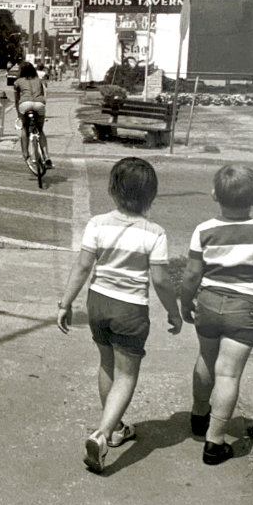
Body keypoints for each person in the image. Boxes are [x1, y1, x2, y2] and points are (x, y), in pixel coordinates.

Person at [58, 157, 182, 473]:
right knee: (127, 374)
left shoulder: (98, 224)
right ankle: (102, 434)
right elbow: (161, 280)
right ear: (151, 196)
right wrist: (174, 312)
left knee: (107, 364)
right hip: (130, 310)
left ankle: (114, 429)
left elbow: (83, 266)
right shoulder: (154, 233)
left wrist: (65, 302)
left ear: (112, 190)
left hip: (98, 303)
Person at [179, 165, 253, 466]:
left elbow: (192, 274)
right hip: (244, 309)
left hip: (208, 302)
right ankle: (215, 441)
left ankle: (199, 414)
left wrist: (184, 302)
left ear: (214, 195)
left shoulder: (203, 230)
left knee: (206, 357)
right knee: (228, 372)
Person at [13, 61, 51, 167]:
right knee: (40, 130)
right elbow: (43, 95)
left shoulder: (18, 82)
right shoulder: (39, 81)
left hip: (25, 104)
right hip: (39, 104)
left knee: (25, 128)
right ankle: (46, 156)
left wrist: (19, 114)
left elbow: (16, 100)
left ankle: (25, 154)